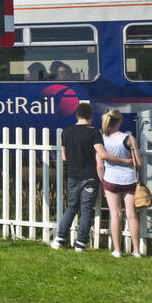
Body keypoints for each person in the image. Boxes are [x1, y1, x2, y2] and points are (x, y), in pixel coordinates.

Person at [51, 102, 108, 252]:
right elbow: (101, 153)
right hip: (90, 176)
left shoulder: (67, 131)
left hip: (73, 175)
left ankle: (60, 238)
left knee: (71, 206)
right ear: (91, 116)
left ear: (76, 115)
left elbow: (64, 157)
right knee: (86, 209)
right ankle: (81, 243)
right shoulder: (94, 132)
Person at [98, 109, 145, 258]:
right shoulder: (128, 138)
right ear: (119, 122)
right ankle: (136, 250)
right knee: (131, 215)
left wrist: (103, 182)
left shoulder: (101, 140)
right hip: (129, 179)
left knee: (115, 215)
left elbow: (99, 165)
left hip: (111, 179)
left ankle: (117, 250)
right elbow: (139, 162)